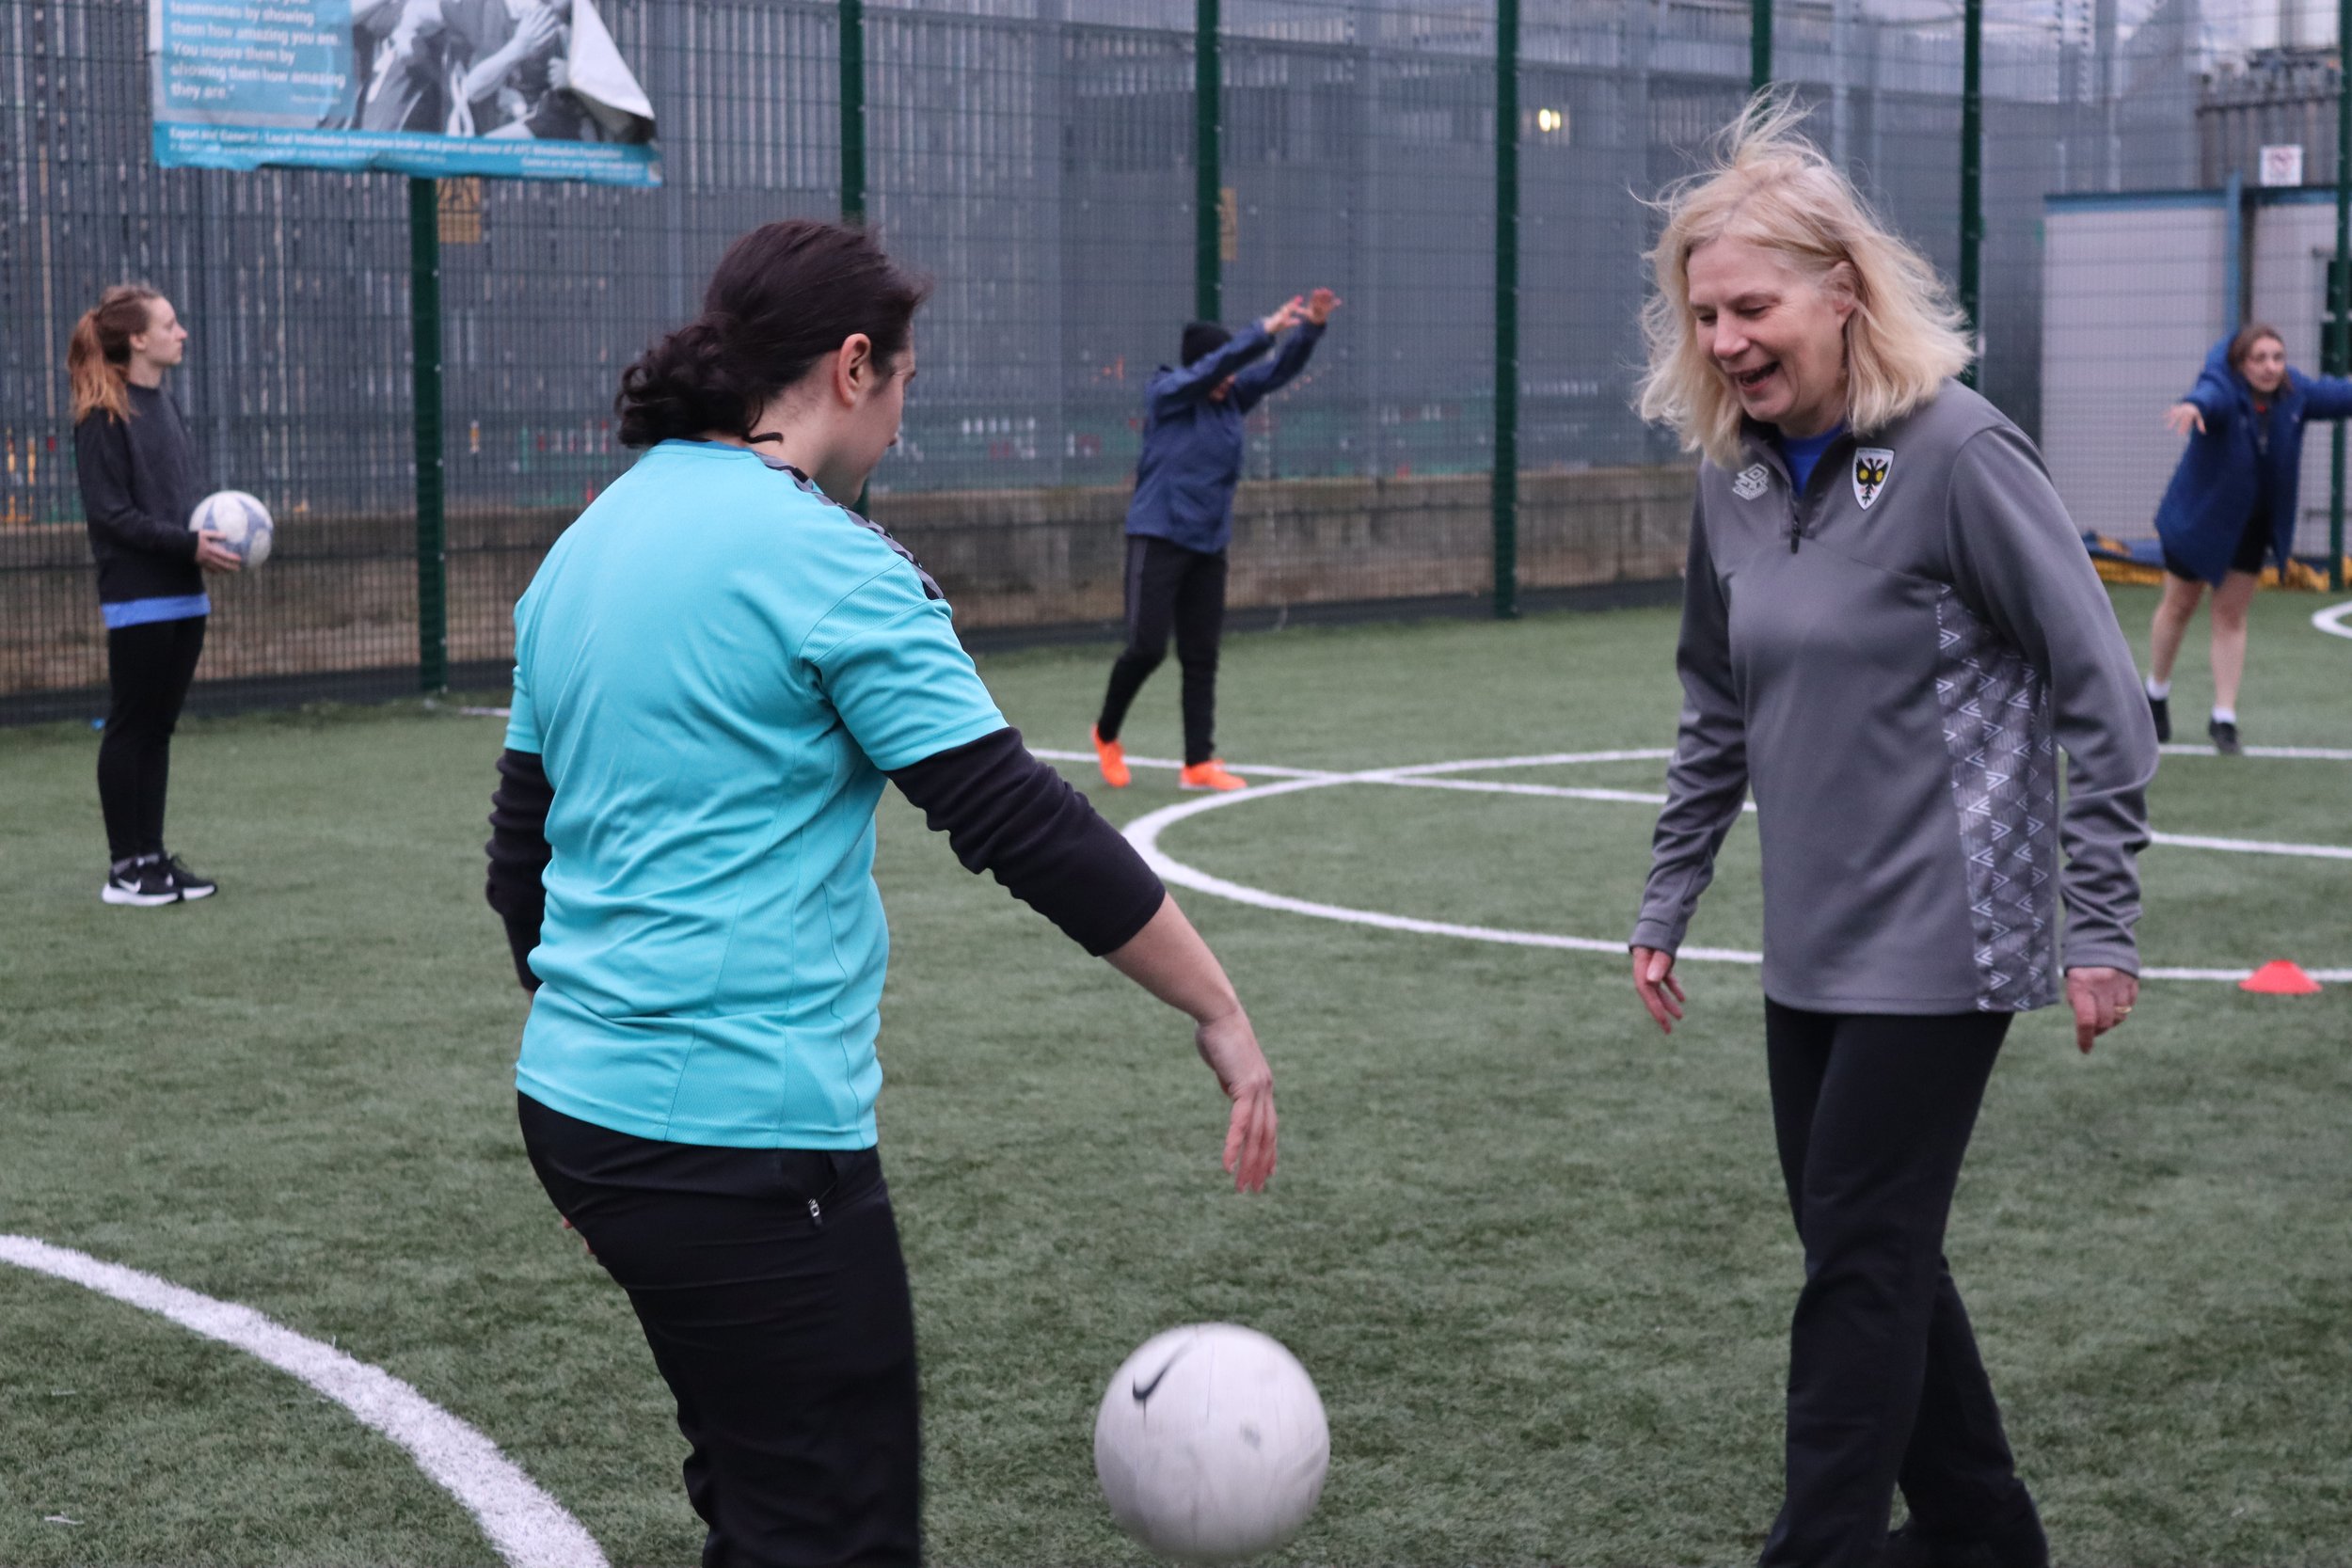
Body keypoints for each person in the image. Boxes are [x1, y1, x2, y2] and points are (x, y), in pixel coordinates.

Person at [482, 218, 1279, 1568]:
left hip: (586, 1114)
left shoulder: (589, 540)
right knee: (837, 1533)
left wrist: (595, 1076)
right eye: (907, 380)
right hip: (740, 1141)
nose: (907, 419)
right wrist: (1217, 1005)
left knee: (763, 1494)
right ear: (854, 365)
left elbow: (522, 858)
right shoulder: (828, 560)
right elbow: (1016, 816)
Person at [1626, 99, 2157, 1568]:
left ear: (1841, 292)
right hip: (1811, 947)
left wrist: (2099, 916)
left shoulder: (1957, 452)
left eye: (1754, 306)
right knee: (1875, 1248)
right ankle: (1985, 1531)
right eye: (1705, 312)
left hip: (1949, 942)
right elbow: (1714, 704)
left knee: (1856, 1260)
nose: (1727, 339)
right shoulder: (1733, 480)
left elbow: (2103, 689)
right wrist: (1670, 892)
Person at [1089, 287, 1341, 794]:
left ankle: (1198, 762)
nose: (1230, 382)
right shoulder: (1167, 394)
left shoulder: (1233, 400)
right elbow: (1217, 367)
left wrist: (1310, 328)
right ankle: (1107, 733)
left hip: (1208, 543)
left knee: (1201, 654)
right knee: (1146, 647)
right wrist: (1262, 331)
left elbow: (1277, 371)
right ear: (1201, 370)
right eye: (1221, 372)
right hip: (1157, 536)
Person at [70, 284, 238, 907]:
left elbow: (176, 507)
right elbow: (111, 515)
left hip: (184, 593)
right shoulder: (101, 414)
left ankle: (152, 858)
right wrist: (186, 544)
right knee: (131, 724)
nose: (182, 333)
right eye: (170, 324)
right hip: (138, 596)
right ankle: (124, 869)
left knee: (159, 729)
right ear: (138, 338)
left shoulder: (164, 404)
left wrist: (208, 546)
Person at [2146, 323, 2352, 753]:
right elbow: (2210, 399)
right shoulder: (2222, 388)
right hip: (2197, 521)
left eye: (2277, 357)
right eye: (2259, 358)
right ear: (2241, 363)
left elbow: (2341, 395)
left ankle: (2224, 718)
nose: (2270, 366)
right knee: (2180, 606)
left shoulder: (2297, 394)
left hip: (2251, 526)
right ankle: (2156, 697)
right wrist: (2192, 407)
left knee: (2231, 616)